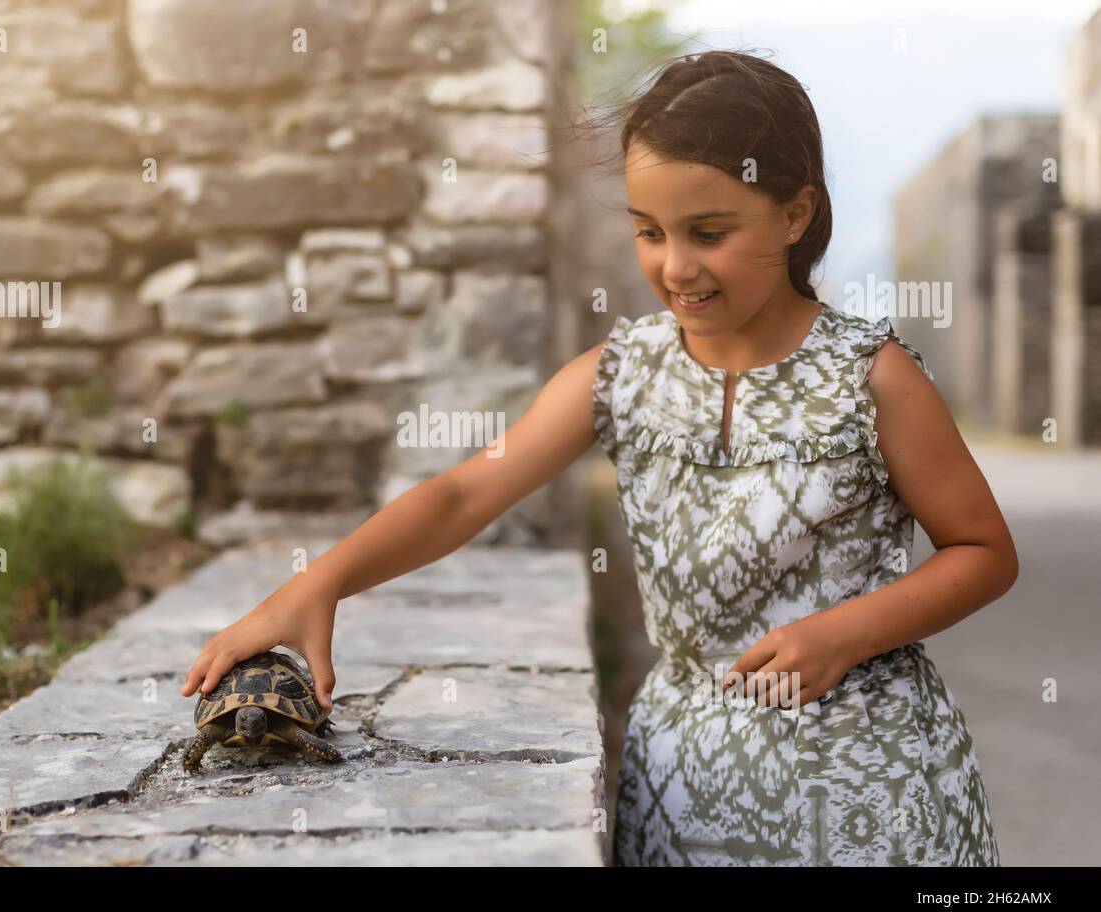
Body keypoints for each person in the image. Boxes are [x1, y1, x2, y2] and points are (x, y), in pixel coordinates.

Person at [181, 49, 1017, 867]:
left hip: (875, 793)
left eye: (710, 233)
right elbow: (464, 495)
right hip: (685, 790)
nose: (675, 267)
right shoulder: (620, 375)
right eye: (650, 232)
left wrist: (844, 631)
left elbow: (984, 552)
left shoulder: (873, 377)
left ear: (795, 214)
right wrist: (316, 582)